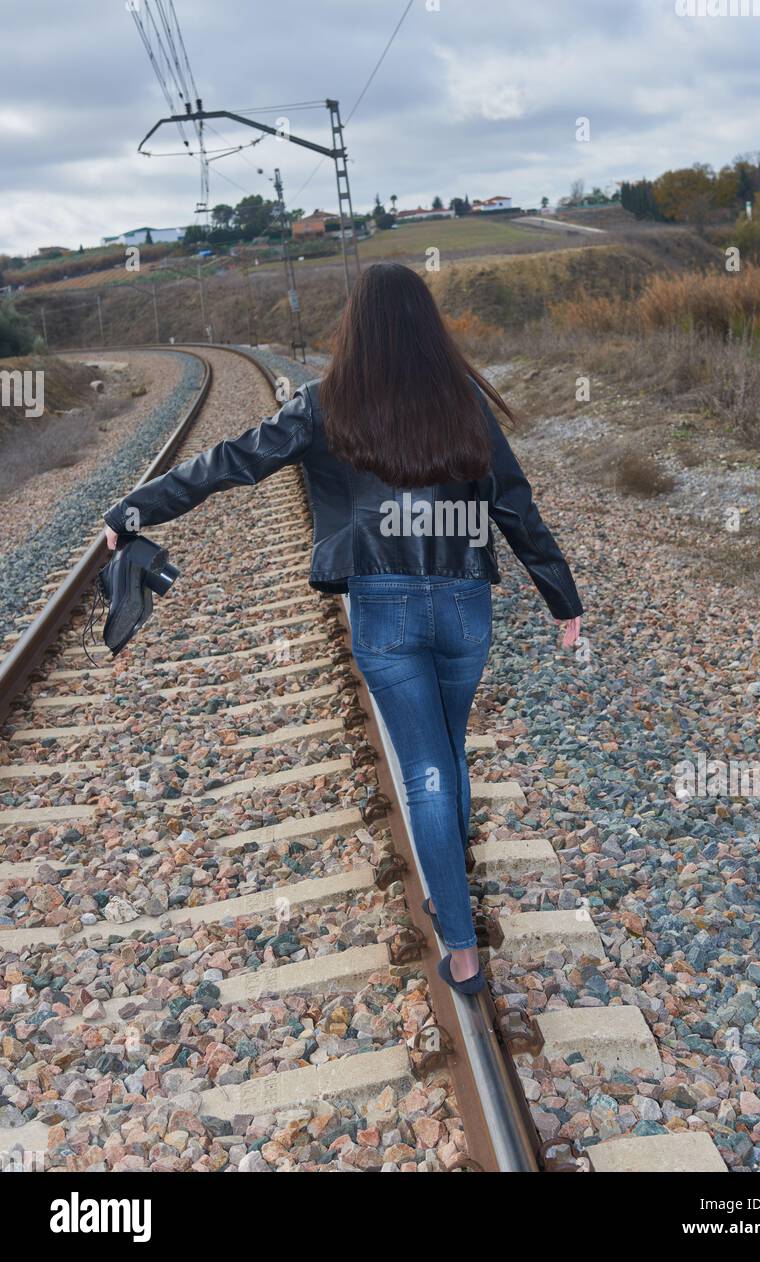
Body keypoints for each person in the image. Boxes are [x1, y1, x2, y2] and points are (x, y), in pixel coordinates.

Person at [103, 262, 583, 995]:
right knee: (447, 752)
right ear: (427, 325)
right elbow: (513, 503)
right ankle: (452, 902)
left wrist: (134, 509)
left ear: (357, 326)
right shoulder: (461, 399)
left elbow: (233, 462)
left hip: (384, 603)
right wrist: (561, 597)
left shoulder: (327, 403)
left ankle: (461, 948)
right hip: (463, 602)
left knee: (424, 768)